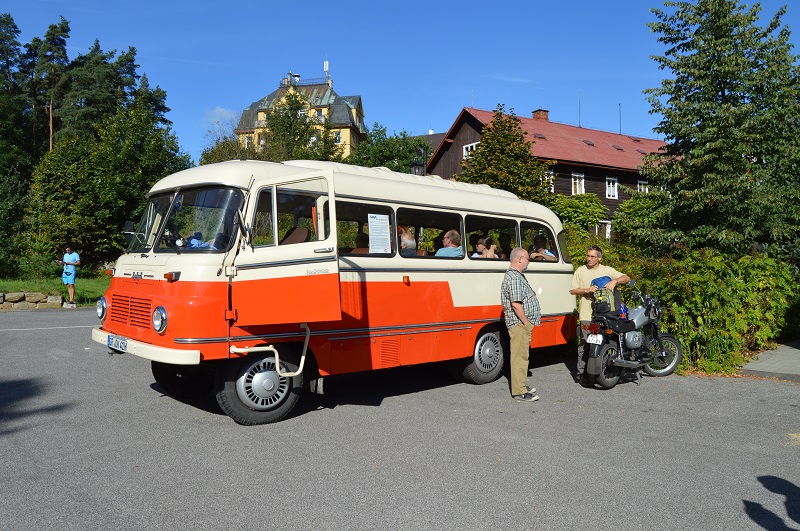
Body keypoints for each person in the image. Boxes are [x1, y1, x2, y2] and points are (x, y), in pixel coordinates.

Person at [569, 245, 630, 386]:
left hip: (605, 315)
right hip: (586, 315)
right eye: (588, 256)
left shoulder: (607, 270)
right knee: (585, 344)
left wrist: (614, 281)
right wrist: (587, 290)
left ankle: (603, 372)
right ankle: (581, 375)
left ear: (599, 258)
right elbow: (572, 290)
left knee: (605, 342)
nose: (589, 259)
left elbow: (626, 277)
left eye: (592, 256)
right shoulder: (580, 270)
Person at [501, 247, 541, 401]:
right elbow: (516, 304)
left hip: (520, 323)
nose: (528, 262)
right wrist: (525, 322)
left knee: (522, 356)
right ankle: (519, 392)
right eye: (527, 259)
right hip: (519, 324)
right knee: (520, 357)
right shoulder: (514, 277)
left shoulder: (516, 275)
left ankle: (521, 385)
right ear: (519, 259)